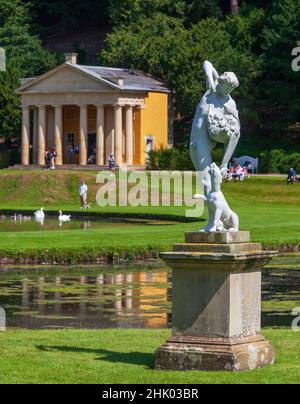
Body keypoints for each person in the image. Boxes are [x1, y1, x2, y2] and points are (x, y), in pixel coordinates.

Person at [190, 60, 240, 231]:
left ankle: (216, 222)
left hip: (204, 140)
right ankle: (220, 220)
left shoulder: (229, 103)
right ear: (221, 82)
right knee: (206, 182)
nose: (227, 92)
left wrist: (225, 163)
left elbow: (235, 135)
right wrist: (208, 77)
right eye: (226, 88)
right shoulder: (212, 88)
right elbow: (207, 63)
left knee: (207, 182)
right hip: (195, 141)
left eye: (230, 90)